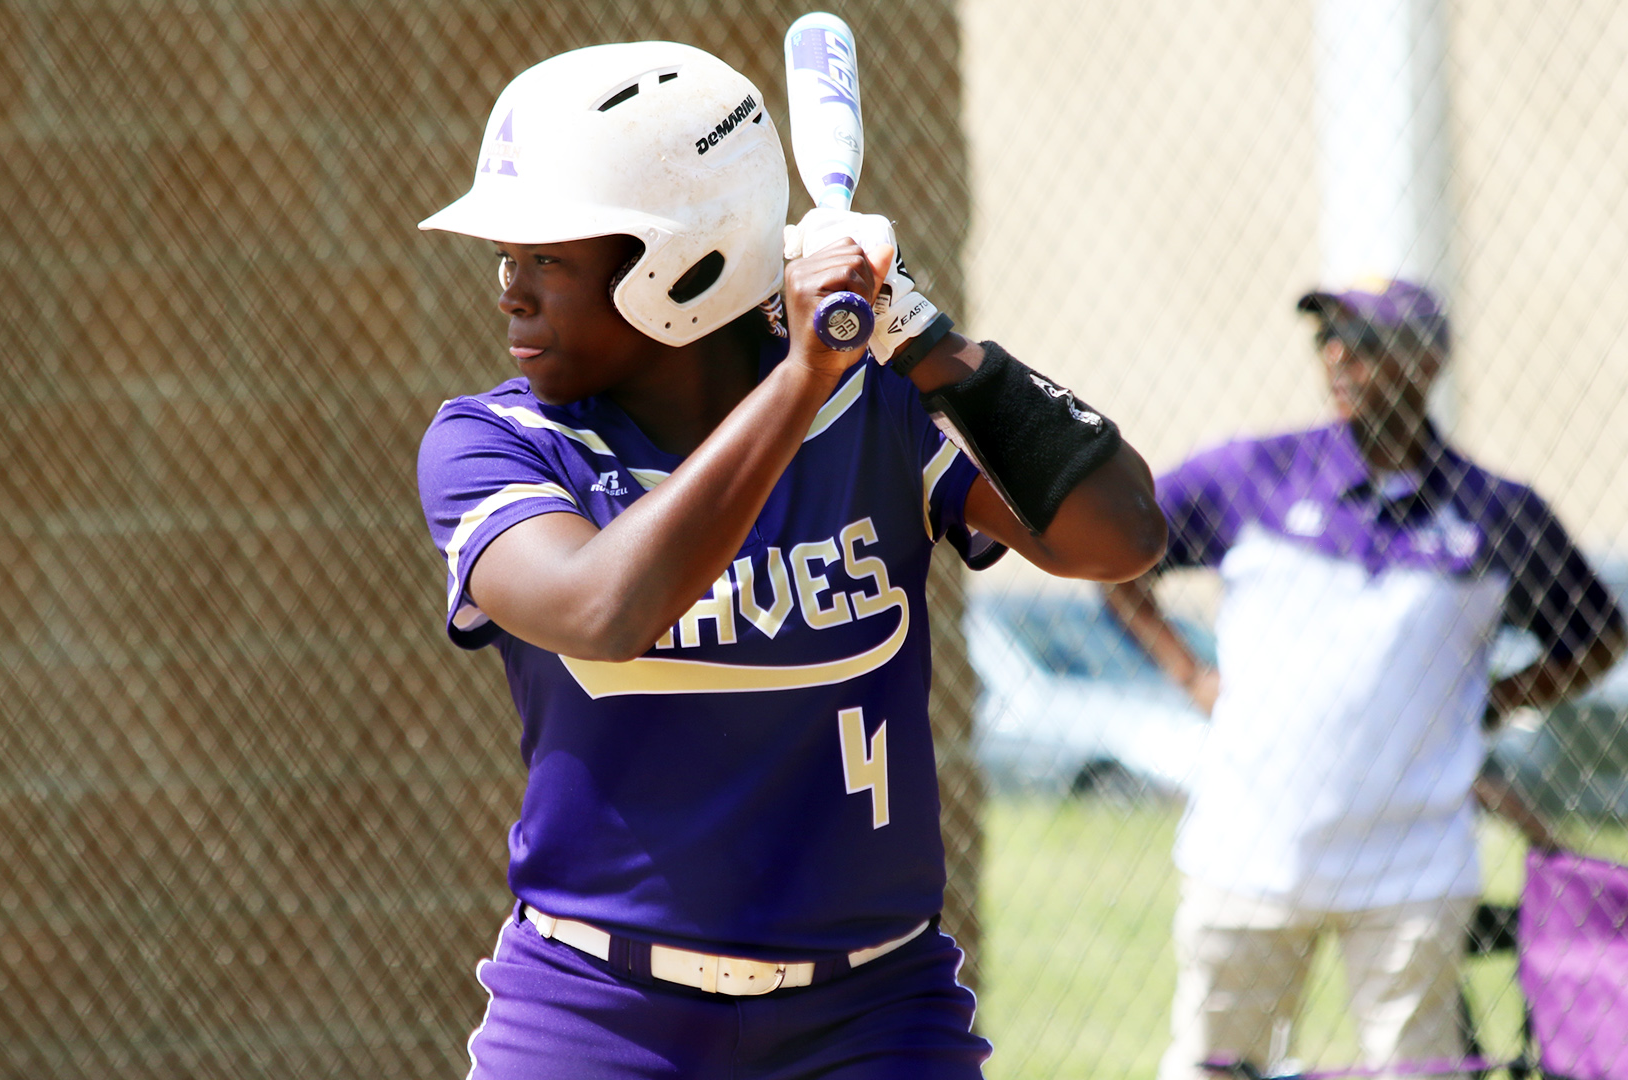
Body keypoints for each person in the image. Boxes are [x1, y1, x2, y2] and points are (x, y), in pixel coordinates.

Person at [415, 41, 1166, 1079]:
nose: (509, 290)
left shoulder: (879, 405)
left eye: (548, 258)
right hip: (600, 1010)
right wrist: (803, 378)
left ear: (684, 260)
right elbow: (603, 610)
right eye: (509, 256)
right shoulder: (496, 445)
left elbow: (1123, 537)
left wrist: (921, 334)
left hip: (872, 1014)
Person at [1102, 277, 1626, 1080]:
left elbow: (1596, 637)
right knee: (1214, 1067)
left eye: (1368, 343)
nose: (1341, 358)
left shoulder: (1497, 513)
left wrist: (1491, 703)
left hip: (1412, 871)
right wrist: (1193, 677)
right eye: (1329, 340)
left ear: (1429, 362)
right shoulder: (1255, 474)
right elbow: (1115, 556)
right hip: (1250, 856)